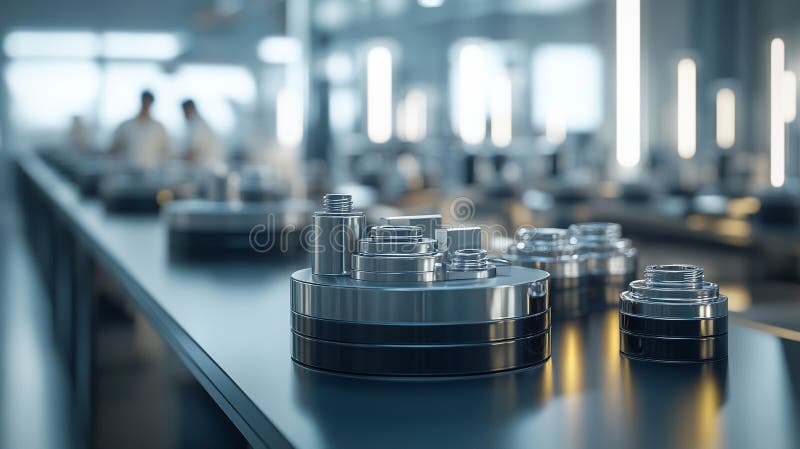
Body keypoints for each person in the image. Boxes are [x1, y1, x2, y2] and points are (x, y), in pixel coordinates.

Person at [109, 90, 172, 170]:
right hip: (127, 171)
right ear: (141, 101)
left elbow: (167, 152)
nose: (146, 105)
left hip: (150, 172)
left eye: (148, 102)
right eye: (144, 101)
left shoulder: (159, 128)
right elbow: (113, 149)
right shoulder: (126, 125)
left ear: (151, 104)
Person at [181, 99, 222, 166]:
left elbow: (193, 152)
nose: (183, 114)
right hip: (208, 164)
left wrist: (179, 158)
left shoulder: (198, 125)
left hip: (208, 165)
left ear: (189, 109)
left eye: (184, 111)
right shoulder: (197, 123)